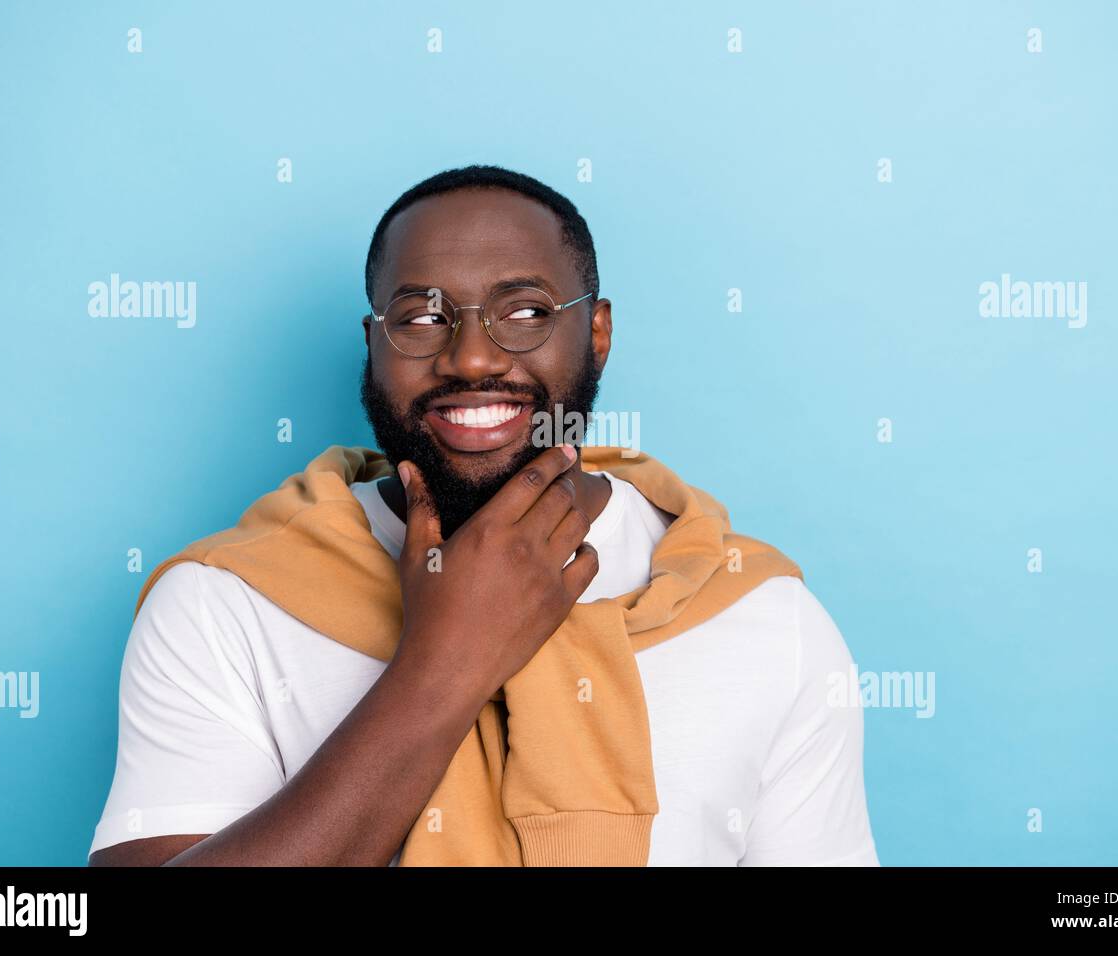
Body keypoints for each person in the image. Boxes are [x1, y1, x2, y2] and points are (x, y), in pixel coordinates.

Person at [87, 165, 879, 866]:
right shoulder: (225, 602)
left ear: (596, 333)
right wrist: (444, 665)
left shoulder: (764, 617)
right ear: (373, 343)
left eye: (526, 312)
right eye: (422, 318)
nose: (471, 358)